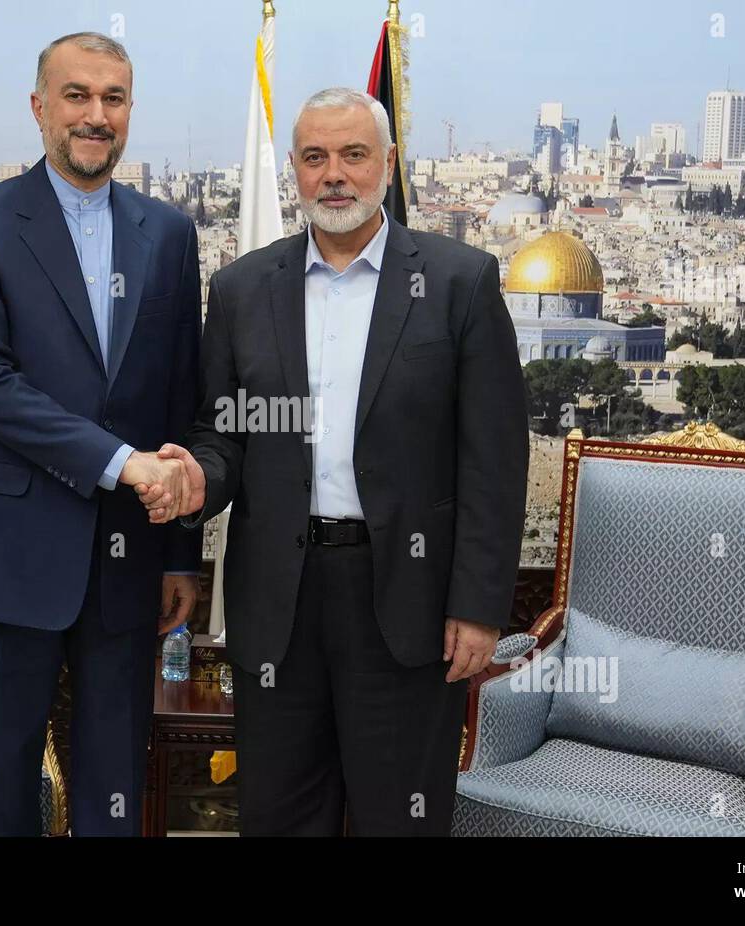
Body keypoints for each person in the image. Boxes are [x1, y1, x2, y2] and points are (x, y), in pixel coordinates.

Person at [143, 87, 529, 835]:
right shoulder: (242, 289)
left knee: (401, 820)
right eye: (315, 157)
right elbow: (224, 436)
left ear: (387, 163)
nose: (335, 175)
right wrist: (193, 478)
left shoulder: (461, 283)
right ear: (294, 168)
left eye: (354, 154)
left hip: (410, 606)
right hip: (278, 604)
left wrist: (479, 607)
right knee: (279, 816)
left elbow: (494, 461)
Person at [0, 32, 201, 836]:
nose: (95, 115)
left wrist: (181, 550)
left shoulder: (170, 231)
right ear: (40, 106)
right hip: (9, 547)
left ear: (129, 112)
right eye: (77, 96)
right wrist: (123, 465)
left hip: (130, 559)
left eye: (112, 98)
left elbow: (178, 394)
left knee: (116, 777)